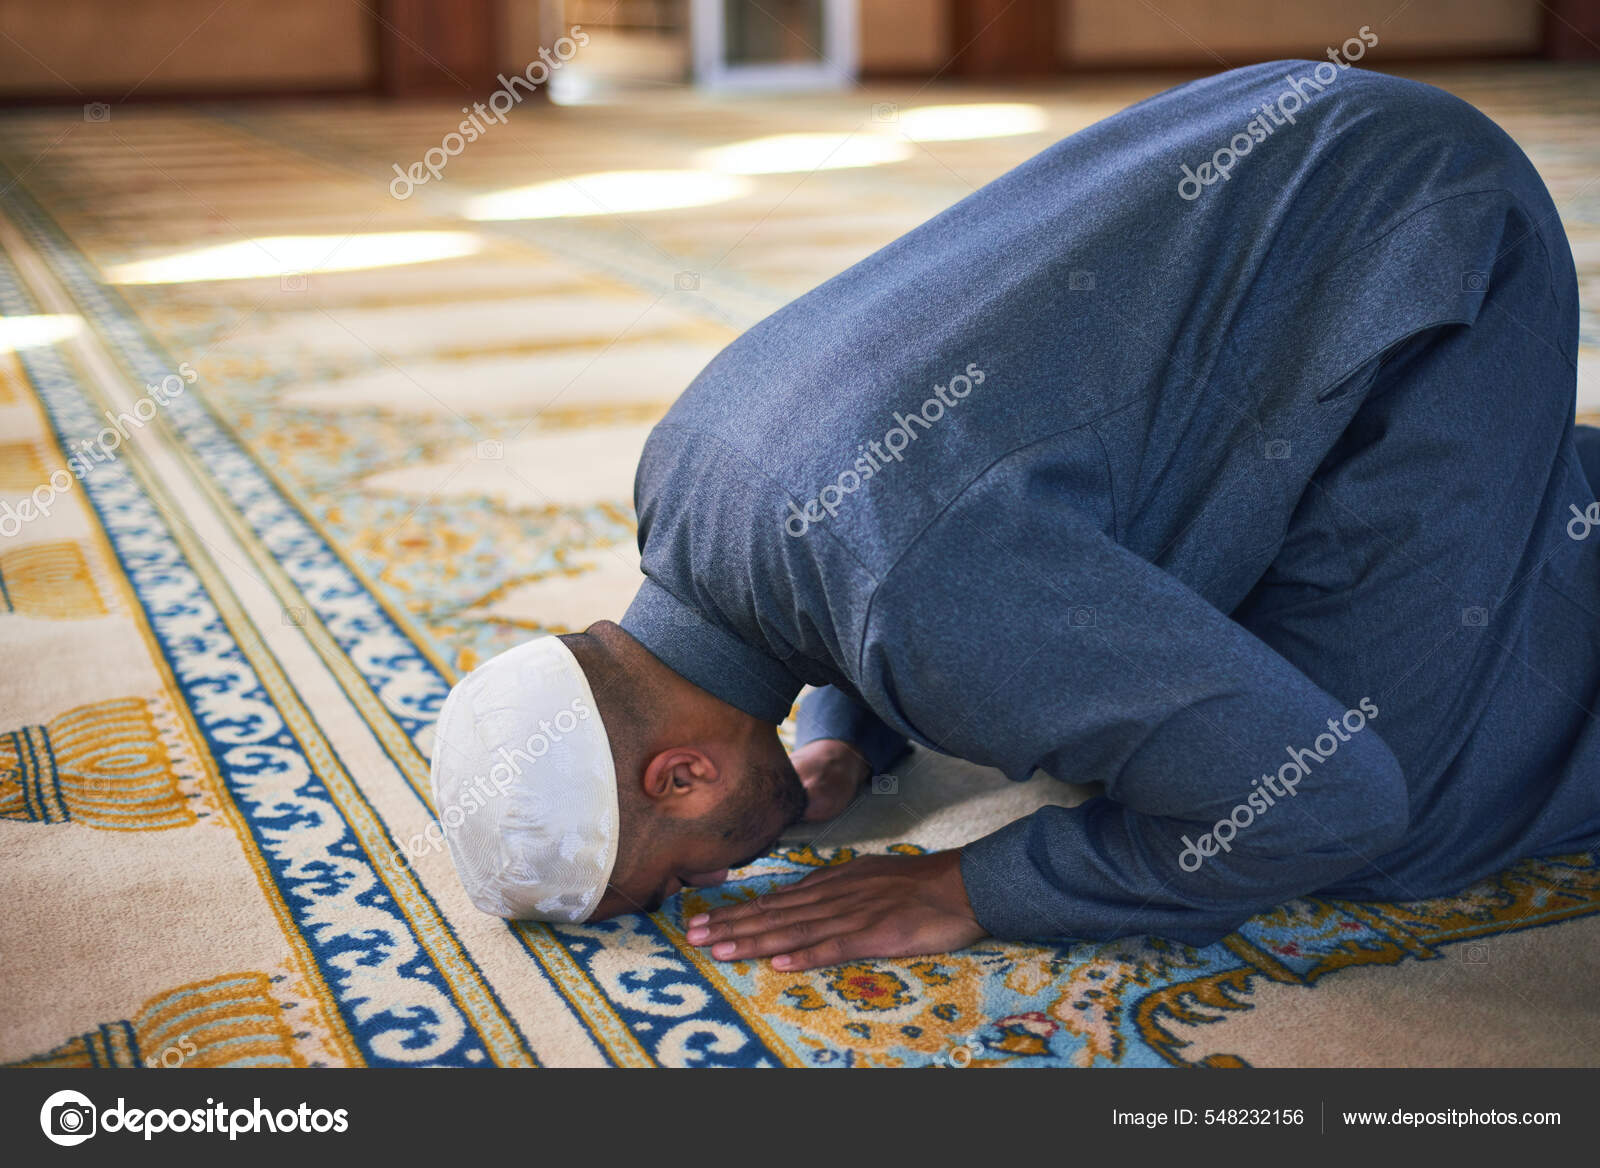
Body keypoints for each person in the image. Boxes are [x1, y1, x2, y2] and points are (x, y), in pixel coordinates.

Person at [429, 61, 1600, 972]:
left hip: (1429, 252)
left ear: (679, 777)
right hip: (1306, 153)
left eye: (678, 877)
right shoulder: (679, 474)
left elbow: (1323, 804)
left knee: (1365, 809)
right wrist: (840, 735)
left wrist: (972, 888)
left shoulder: (921, 594)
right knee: (1191, 740)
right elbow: (834, 557)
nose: (707, 886)